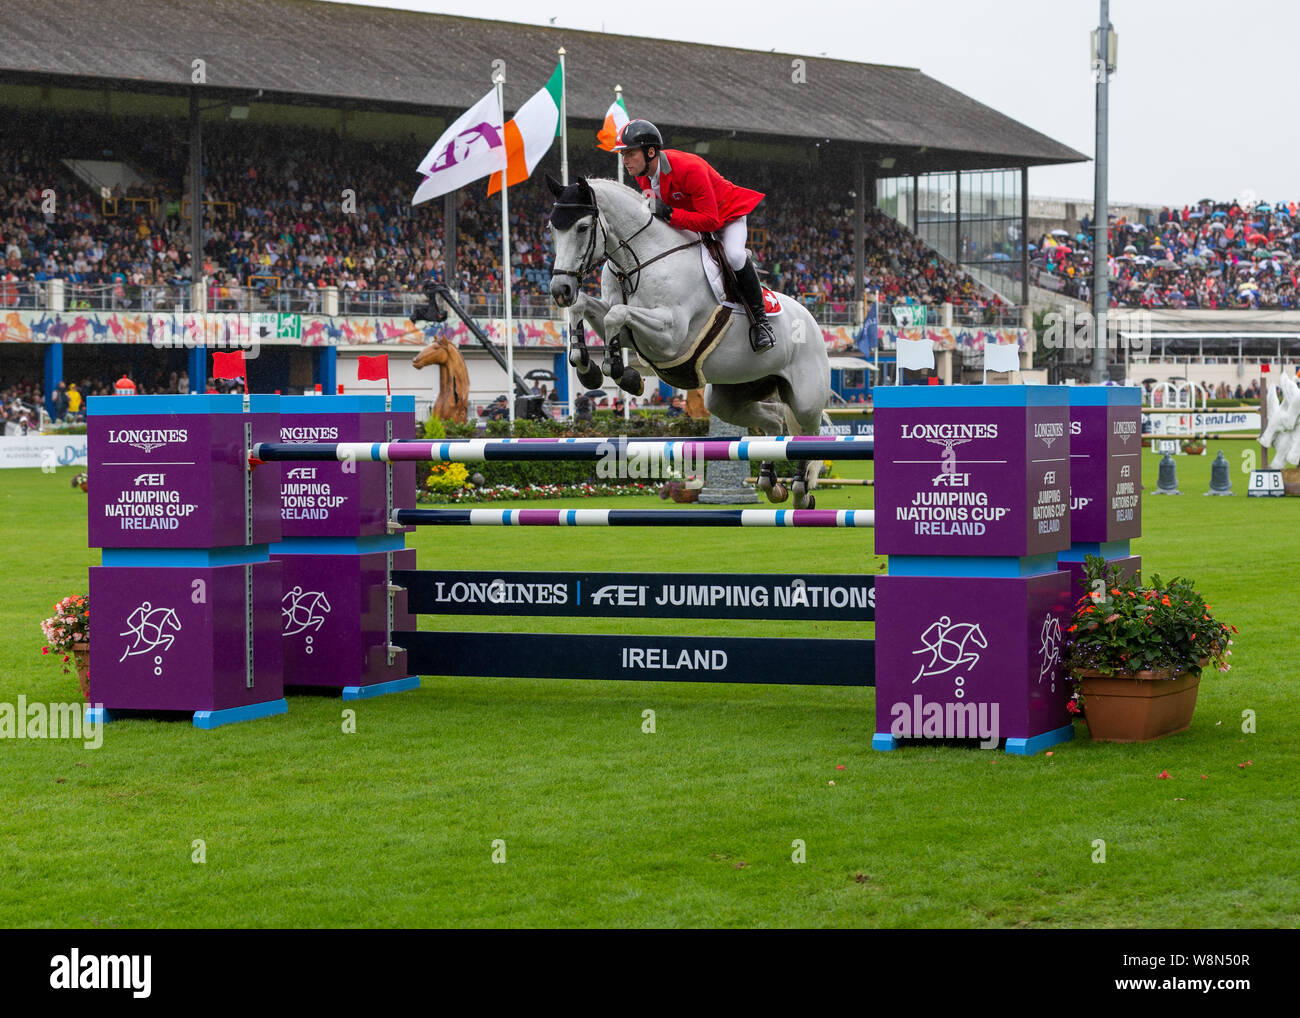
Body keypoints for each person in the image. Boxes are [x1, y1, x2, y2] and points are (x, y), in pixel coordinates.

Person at [613, 119, 774, 352]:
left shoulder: (689, 168)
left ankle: (761, 323)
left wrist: (668, 213)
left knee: (736, 256)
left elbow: (711, 220)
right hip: (691, 218)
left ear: (650, 152)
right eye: (622, 154)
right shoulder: (641, 174)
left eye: (630, 153)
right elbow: (654, 208)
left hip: (726, 216)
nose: (625, 160)